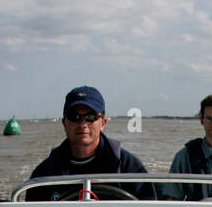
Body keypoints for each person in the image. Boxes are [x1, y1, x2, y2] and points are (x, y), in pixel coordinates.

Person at [25, 86, 154, 200]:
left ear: (103, 123)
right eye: (74, 117)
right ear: (64, 122)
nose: (82, 124)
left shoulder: (129, 168)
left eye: (90, 117)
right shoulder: (43, 174)